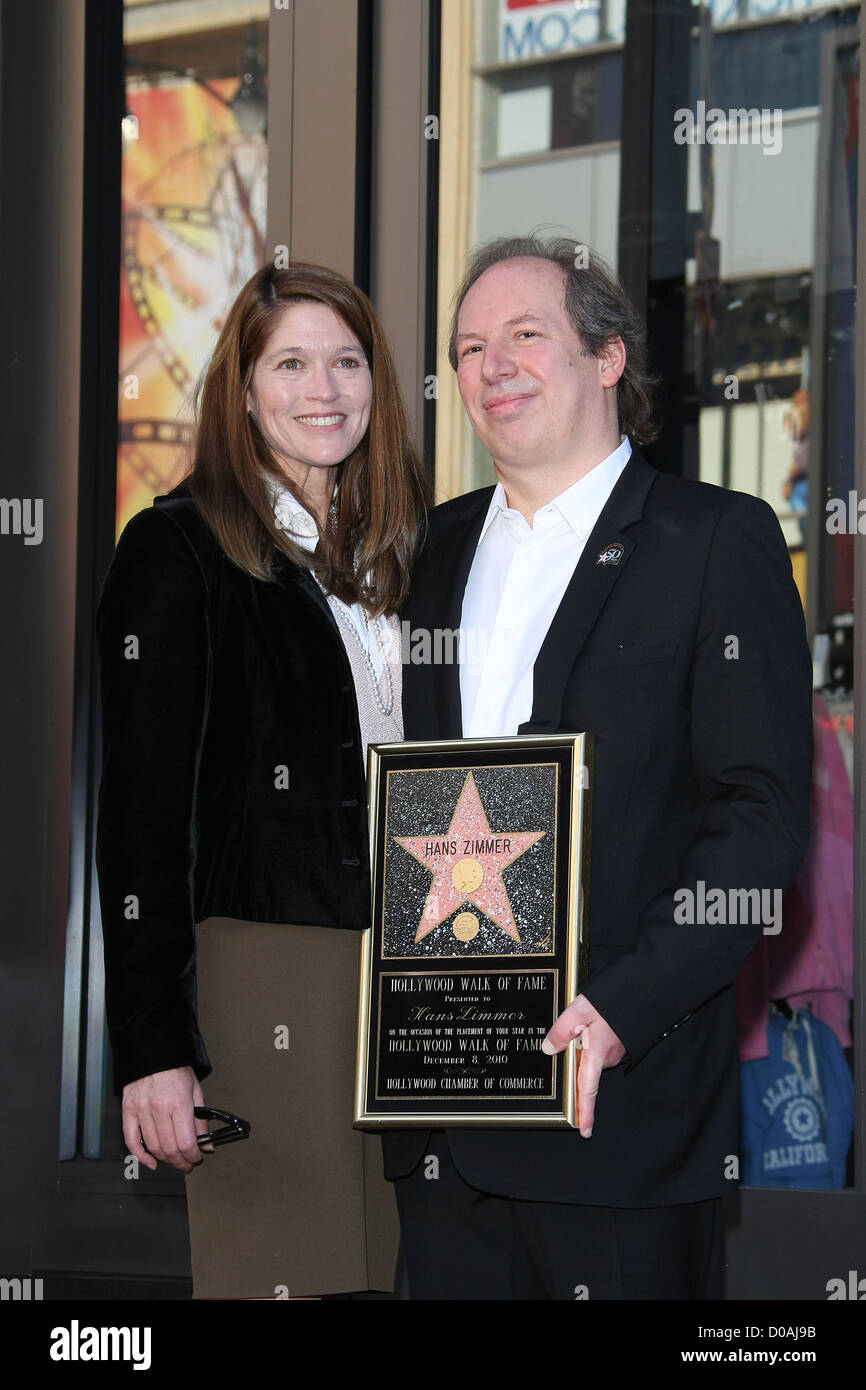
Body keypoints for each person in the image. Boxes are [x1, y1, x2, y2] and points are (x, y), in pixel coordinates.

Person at [382, 234, 813, 1300]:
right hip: (444, 1122)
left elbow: (759, 828)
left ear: (607, 356)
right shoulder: (428, 555)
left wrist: (624, 1004)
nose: (491, 365)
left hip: (621, 1118)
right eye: (470, 346)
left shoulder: (715, 538)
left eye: (525, 334)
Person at [96, 260, 430, 1299]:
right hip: (266, 971)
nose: (323, 388)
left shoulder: (399, 562)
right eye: (290, 362)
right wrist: (152, 1046)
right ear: (240, 390)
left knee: (386, 1272)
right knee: (288, 1274)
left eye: (345, 360)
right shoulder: (177, 548)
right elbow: (140, 816)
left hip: (410, 964)